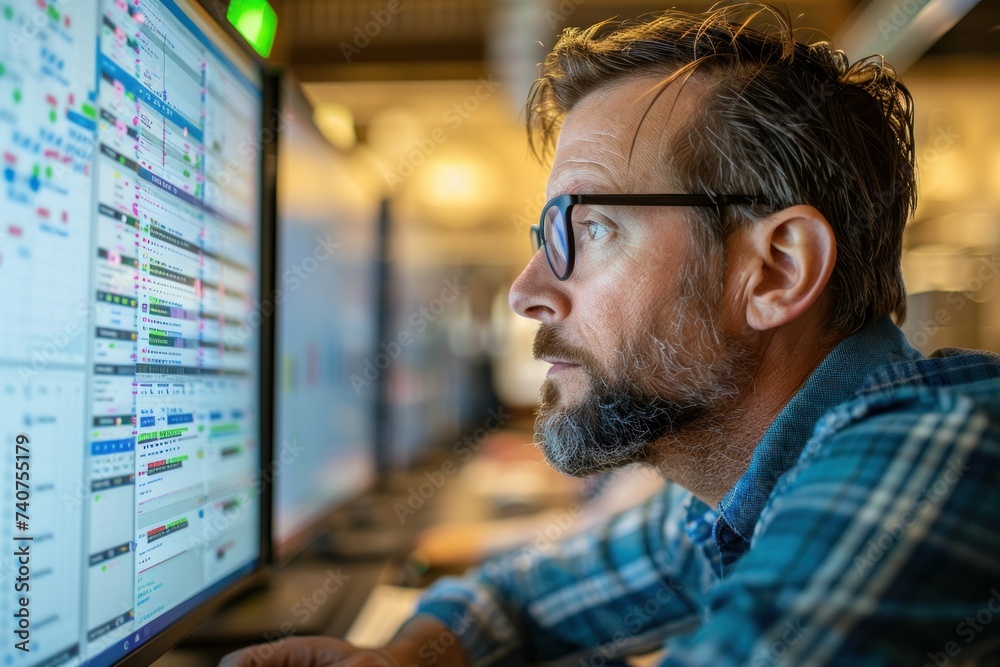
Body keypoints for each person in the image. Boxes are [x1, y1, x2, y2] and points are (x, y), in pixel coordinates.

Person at [222, 4, 1000, 666]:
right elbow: (517, 594)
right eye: (547, 235)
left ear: (776, 271)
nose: (526, 291)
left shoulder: (934, 457)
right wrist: (406, 657)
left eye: (590, 228)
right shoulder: (738, 491)